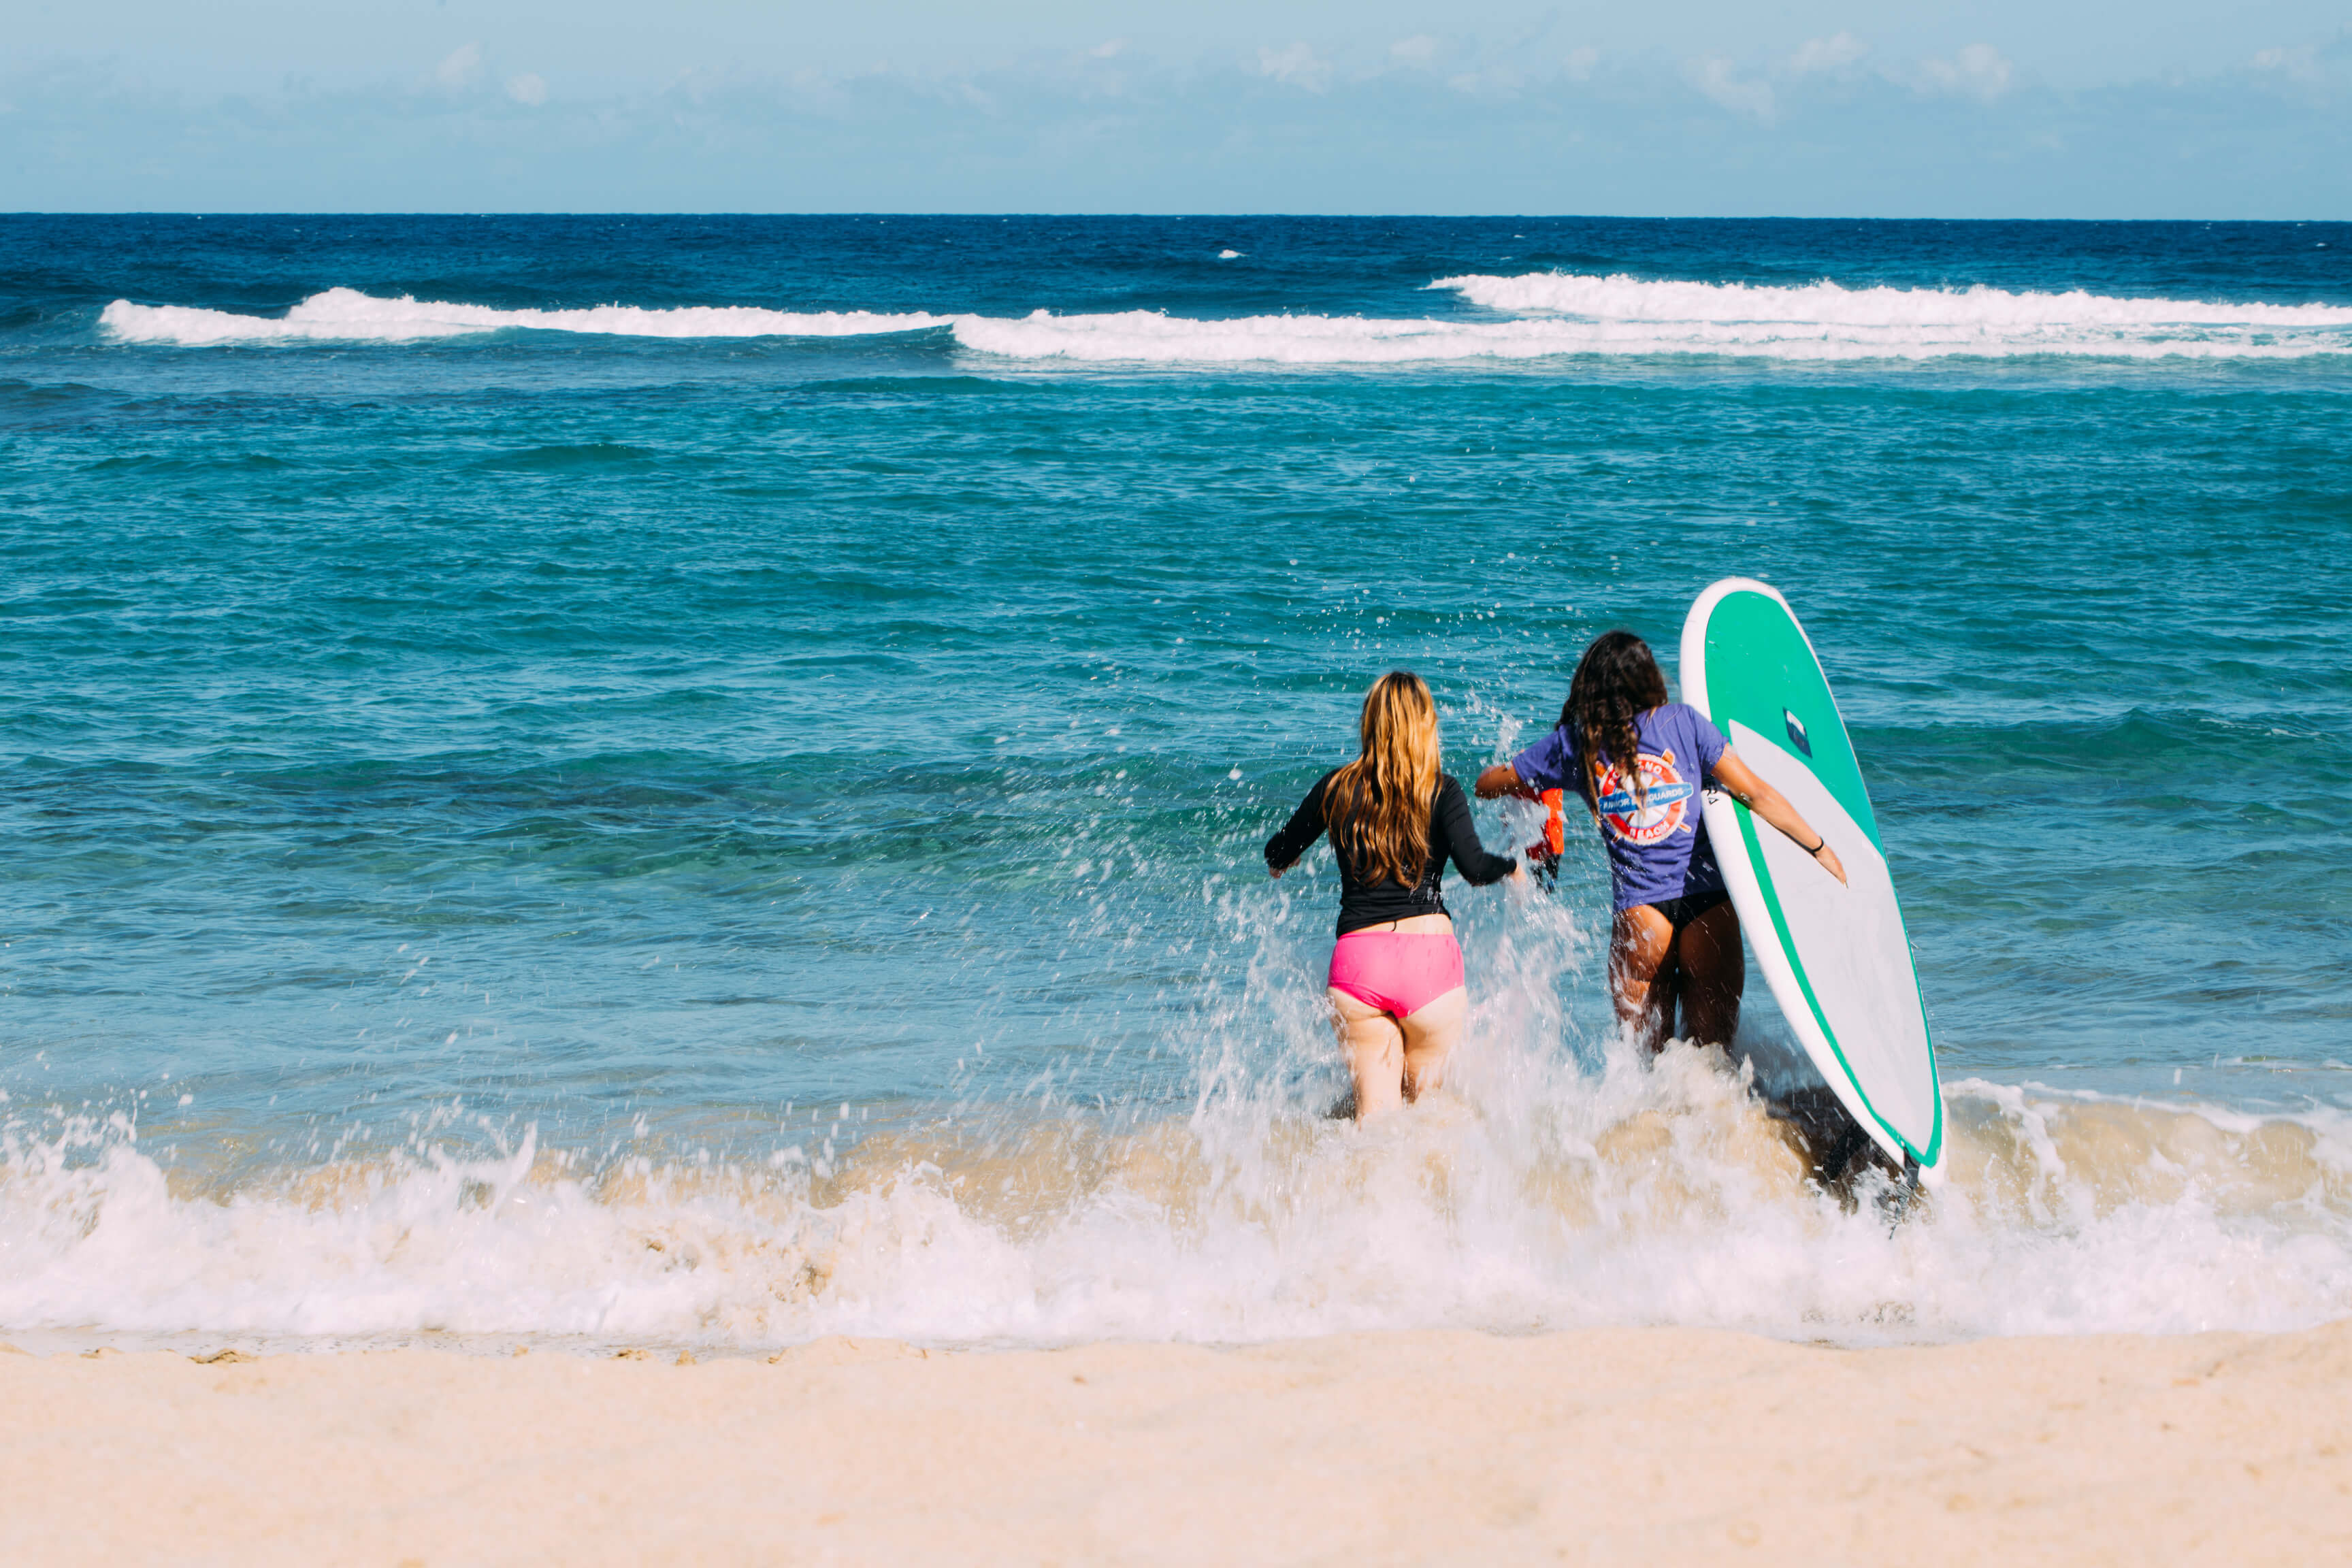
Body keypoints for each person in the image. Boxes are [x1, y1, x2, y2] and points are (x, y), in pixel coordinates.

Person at [1475, 630, 1847, 1052]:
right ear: (1648, 677)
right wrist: (1820, 849)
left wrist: (1536, 783)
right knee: (1713, 1064)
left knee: (1649, 1076)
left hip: (1642, 916)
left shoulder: (1576, 744)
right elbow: (1756, 794)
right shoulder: (1685, 723)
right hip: (1709, 906)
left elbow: (1486, 785)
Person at [1265, 672, 1522, 1121]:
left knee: (1374, 1122)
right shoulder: (1442, 789)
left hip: (1359, 965)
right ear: (1426, 725)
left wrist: (1284, 861)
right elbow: (1476, 868)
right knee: (1429, 1118)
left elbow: (1277, 851)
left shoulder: (1337, 788)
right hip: (1429, 966)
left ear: (1370, 723)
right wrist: (1514, 867)